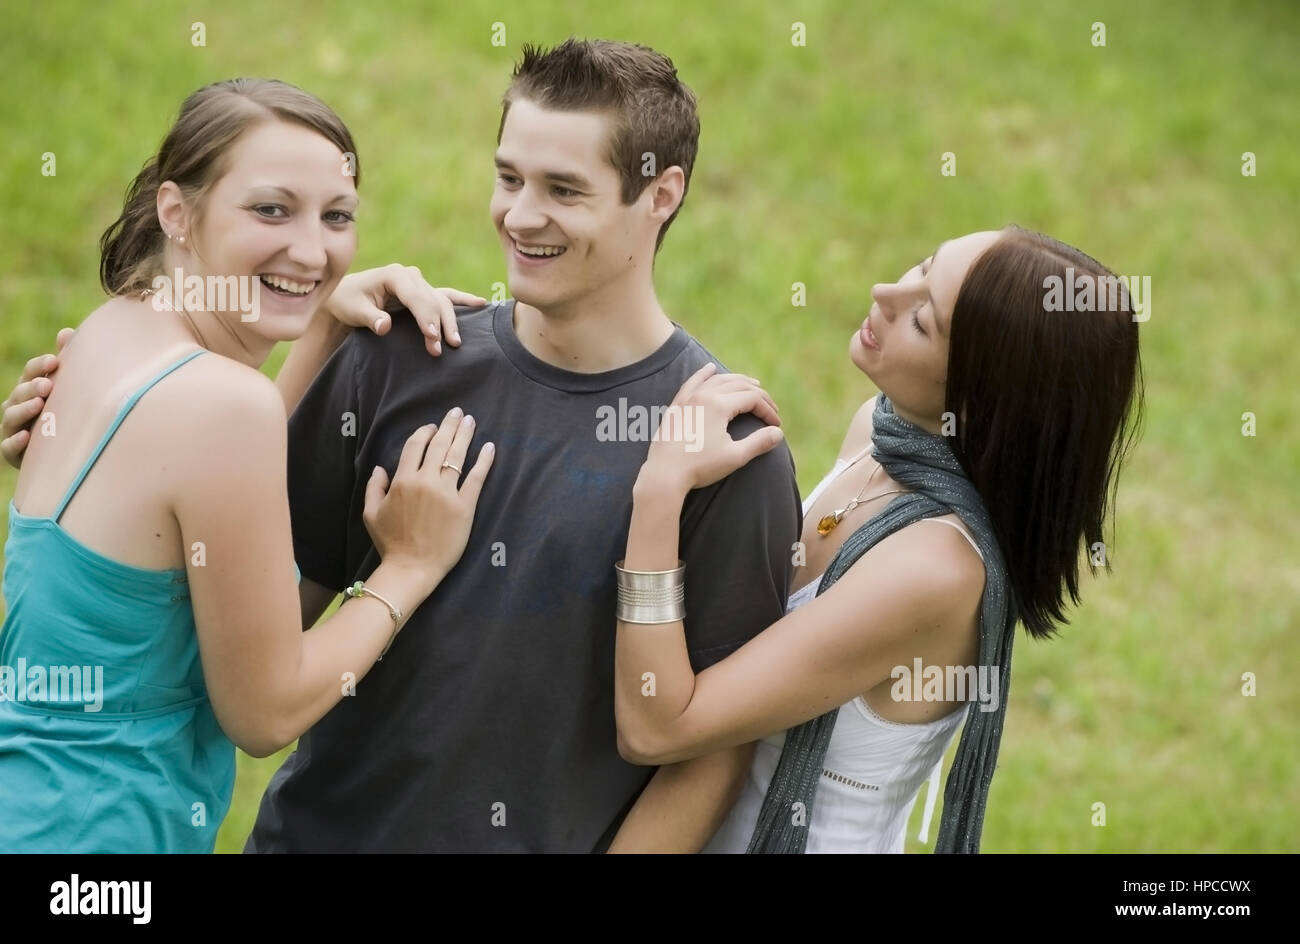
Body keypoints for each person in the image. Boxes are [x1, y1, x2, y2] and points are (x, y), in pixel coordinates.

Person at [7, 40, 804, 852]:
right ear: (178, 212)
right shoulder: (396, 359)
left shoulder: (724, 451)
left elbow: (709, 751)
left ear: (661, 194)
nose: (521, 216)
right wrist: (409, 564)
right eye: (509, 178)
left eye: (563, 189)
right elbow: (255, 640)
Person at [0, 78, 493, 853]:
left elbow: (212, 490)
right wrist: (408, 565)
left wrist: (320, 325)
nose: (311, 250)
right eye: (271, 209)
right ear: (176, 212)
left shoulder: (111, 331)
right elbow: (264, 714)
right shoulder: (226, 408)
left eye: (336, 218)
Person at [612, 227, 1145, 853]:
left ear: (978, 403)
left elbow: (659, 727)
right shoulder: (877, 431)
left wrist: (658, 495)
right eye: (921, 265)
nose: (885, 293)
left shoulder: (936, 568)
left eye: (923, 320)